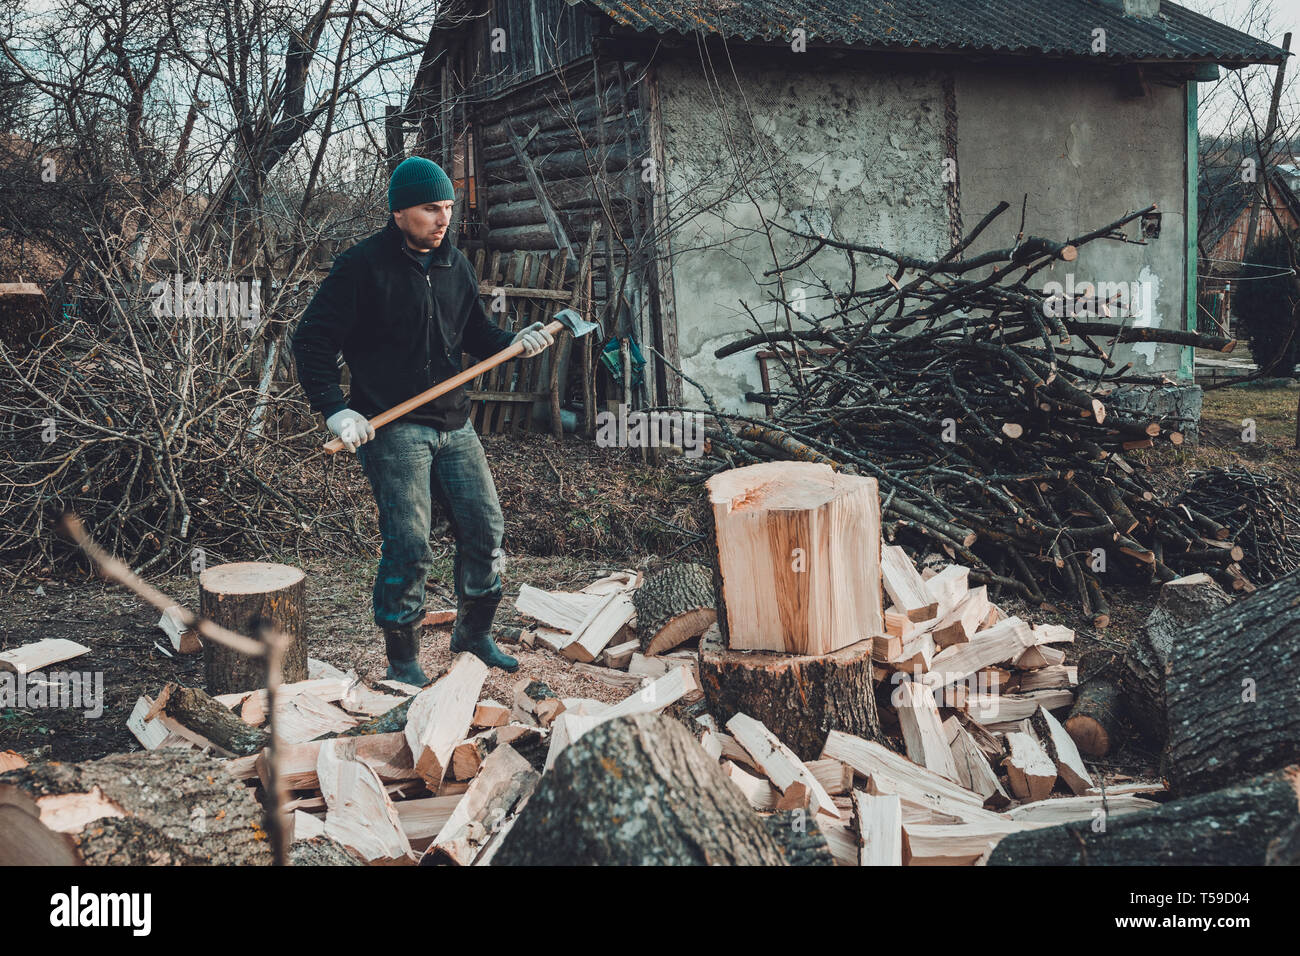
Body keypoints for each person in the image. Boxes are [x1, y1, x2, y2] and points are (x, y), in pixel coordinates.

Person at [291, 156, 553, 684]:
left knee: (484, 528)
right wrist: (336, 409)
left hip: (455, 424)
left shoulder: (455, 264)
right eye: (431, 209)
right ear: (399, 212)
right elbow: (312, 339)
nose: (443, 219)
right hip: (392, 426)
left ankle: (474, 633)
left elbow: (476, 333)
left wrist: (516, 344)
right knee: (410, 542)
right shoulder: (362, 267)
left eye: (449, 208)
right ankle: (403, 659)